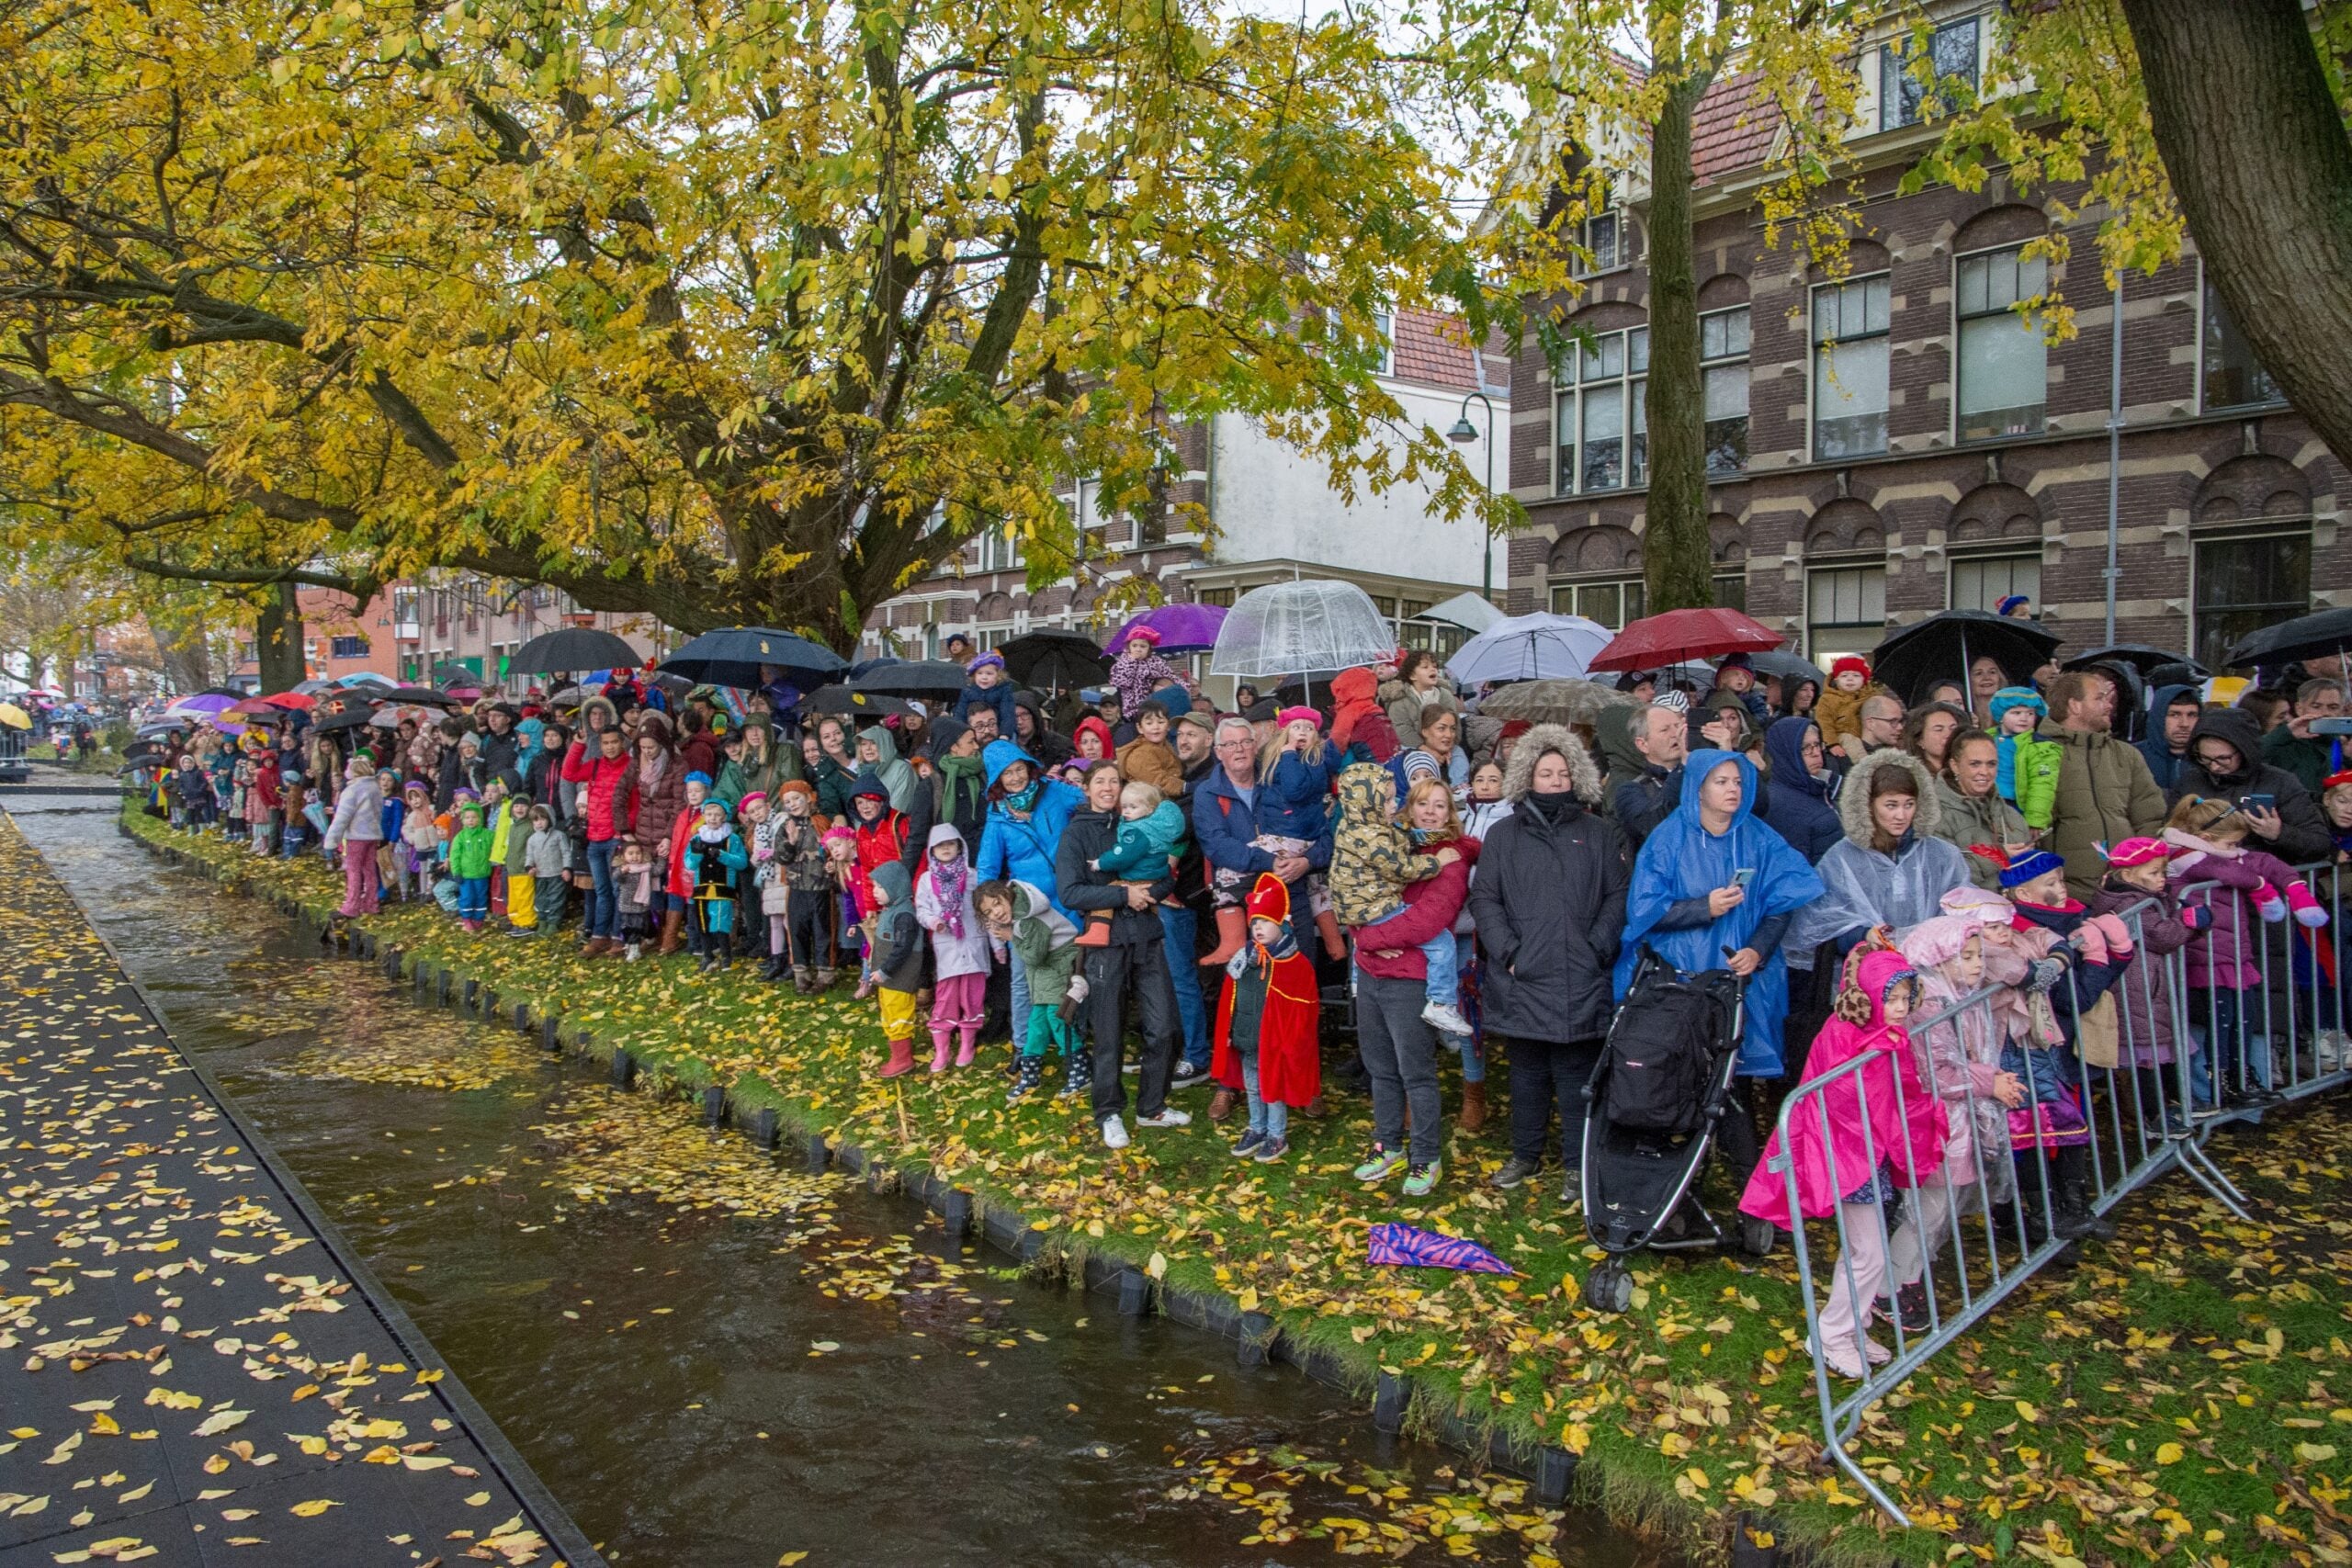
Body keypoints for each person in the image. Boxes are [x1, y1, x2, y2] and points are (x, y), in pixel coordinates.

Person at [1615, 750, 1826, 1189]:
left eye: (1738, 781)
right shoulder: (1668, 839)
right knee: (1681, 1080)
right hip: (1683, 983)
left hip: (1742, 982)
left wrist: (1758, 950)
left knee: (1736, 1086)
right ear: (1697, 788)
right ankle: (1676, 1188)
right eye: (1721, 781)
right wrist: (1701, 908)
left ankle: (1753, 1194)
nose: (1733, 789)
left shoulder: (1760, 838)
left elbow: (1782, 901)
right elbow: (1643, 913)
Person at [1739, 947, 1946, 1378]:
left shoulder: (1884, 1036)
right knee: (1868, 1251)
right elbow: (1842, 1094)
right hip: (1846, 1153)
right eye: (1892, 999)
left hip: (1866, 1153)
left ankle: (1853, 1325)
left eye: (1908, 999)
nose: (1901, 1008)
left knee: (1862, 1249)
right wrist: (1879, 1048)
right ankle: (1831, 1335)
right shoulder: (1846, 1033)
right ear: (1869, 996)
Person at [1466, 726, 1632, 1195]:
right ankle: (1526, 1155)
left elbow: (1618, 894)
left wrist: (1598, 946)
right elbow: (1485, 898)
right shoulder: (1503, 834)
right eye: (1546, 773)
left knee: (1577, 1077)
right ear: (1528, 777)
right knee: (1527, 1076)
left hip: (1581, 974)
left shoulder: (1598, 833)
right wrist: (1509, 953)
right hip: (1522, 976)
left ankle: (1576, 1166)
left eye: (1562, 773)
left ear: (1576, 776)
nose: (1556, 781)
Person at [1057, 763, 1190, 1146]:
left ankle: (1152, 1107)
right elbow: (1070, 893)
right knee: (1109, 1030)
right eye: (1101, 781)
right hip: (1105, 941)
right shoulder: (1076, 834)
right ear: (1086, 788)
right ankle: (1109, 1112)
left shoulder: (1139, 820)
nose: (1109, 788)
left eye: (1114, 781)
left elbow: (1166, 876)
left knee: (1164, 1024)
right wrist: (1122, 895)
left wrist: (1151, 893)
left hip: (1147, 934)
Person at [2165, 795, 2325, 1108]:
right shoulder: (2184, 857)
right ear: (2207, 838)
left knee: (2245, 1020)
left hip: (2235, 954)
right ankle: (2221, 1081)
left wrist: (2293, 887)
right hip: (2207, 957)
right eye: (2232, 844)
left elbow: (2260, 861)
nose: (2237, 850)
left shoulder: (2219, 853)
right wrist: (2262, 887)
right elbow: (2232, 873)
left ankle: (2244, 1076)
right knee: (2220, 1024)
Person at [1786, 751, 1974, 962]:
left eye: (1909, 804)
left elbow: (1964, 908)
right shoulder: (1842, 858)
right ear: (1868, 805)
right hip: (1868, 975)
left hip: (1935, 970)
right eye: (1891, 805)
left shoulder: (1941, 855)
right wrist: (1863, 935)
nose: (1901, 816)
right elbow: (1819, 924)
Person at [1329, 761, 1467, 1034]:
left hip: (1406, 978)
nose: (1429, 812)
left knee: (1409, 1065)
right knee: (1442, 944)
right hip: (1373, 926)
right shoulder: (1376, 836)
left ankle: (1362, 980)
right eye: (1389, 800)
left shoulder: (1358, 825)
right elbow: (1401, 867)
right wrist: (1435, 862)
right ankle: (1442, 1004)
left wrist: (1368, 939)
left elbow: (1428, 918)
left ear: (1450, 813)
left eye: (1439, 806)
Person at [2089, 837, 2211, 1134]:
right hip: (2136, 991)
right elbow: (2162, 936)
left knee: (2158, 1056)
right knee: (2144, 1058)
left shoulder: (2146, 899)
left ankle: (2167, 1109)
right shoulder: (2129, 903)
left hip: (2150, 989)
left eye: (2162, 872)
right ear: (2129, 875)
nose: (2161, 879)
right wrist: (2191, 922)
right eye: (2154, 873)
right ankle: (2153, 1117)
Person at [1194, 716, 1335, 967]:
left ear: (1255, 746)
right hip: (1244, 902)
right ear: (1218, 752)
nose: (1239, 749)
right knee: (1255, 985)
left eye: (1245, 742)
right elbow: (1216, 845)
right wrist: (1270, 861)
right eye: (1230, 744)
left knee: (1300, 974)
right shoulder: (1207, 793)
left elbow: (1321, 832)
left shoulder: (1279, 775)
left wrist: (1307, 861)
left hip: (1292, 894)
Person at [1213, 873, 1322, 1165]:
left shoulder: (1294, 965)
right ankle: (1256, 1128)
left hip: (1274, 1043)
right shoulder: (1244, 960)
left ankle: (1276, 1135)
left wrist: (1288, 1038)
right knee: (1252, 1085)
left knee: (1273, 1087)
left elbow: (1302, 1009)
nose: (1259, 929)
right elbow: (1233, 999)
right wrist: (1230, 1030)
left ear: (1283, 924)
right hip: (1248, 1038)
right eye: (1254, 923)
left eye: (1265, 922)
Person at [2035, 670, 2170, 899]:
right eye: (2099, 698)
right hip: (2069, 894)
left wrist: (2136, 868)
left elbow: (2150, 817)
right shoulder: (2039, 755)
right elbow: (2035, 826)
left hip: (2127, 891)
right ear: (2074, 706)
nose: (2109, 705)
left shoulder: (2127, 754)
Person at [2167, 706, 2333, 864]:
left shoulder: (2280, 782)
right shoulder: (2190, 781)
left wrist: (2279, 833)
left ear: (2244, 751)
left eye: (2223, 758)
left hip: (2265, 879)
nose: (2214, 766)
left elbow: (2319, 843)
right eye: (2205, 758)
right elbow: (2168, 829)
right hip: (2202, 877)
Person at [979, 879, 1089, 1102]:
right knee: (1037, 1022)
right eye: (988, 911)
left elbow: (1033, 956)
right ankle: (1030, 1073)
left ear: (1007, 895)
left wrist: (1011, 937)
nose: (996, 913)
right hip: (1046, 972)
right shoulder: (1020, 917)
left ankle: (1080, 1070)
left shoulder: (1030, 918)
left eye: (997, 903)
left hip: (1061, 968)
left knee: (1058, 1017)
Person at [912, 825, 989, 1070]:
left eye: (951, 844)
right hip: (947, 947)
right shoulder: (927, 879)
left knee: (973, 997)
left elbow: (986, 912)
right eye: (940, 845)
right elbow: (922, 909)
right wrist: (934, 922)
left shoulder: (973, 876)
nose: (946, 848)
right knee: (946, 998)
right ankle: (942, 1050)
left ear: (960, 847)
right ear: (932, 850)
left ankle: (967, 1044)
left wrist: (997, 944)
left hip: (974, 945)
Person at [1076, 780, 1187, 945]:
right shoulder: (1154, 827)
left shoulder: (1138, 832)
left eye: (1133, 807)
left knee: (1108, 893)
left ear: (1149, 809)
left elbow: (1123, 856)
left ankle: (1099, 930)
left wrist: (1101, 863)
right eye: (1124, 807)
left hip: (1138, 877)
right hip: (1154, 876)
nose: (1127, 812)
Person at [1934, 729, 2032, 891]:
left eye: (1991, 764)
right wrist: (1999, 856)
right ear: (1955, 766)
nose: (1985, 772)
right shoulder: (1936, 815)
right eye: (1975, 764)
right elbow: (1948, 875)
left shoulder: (2012, 816)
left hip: (2018, 910)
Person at [867, 862, 925, 1077]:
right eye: (874, 886)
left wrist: (885, 971)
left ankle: (903, 1059)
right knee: (889, 1013)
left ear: (895, 887)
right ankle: (897, 1055)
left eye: (880, 887)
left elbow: (902, 949)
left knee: (898, 1015)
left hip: (899, 978)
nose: (875, 891)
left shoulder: (904, 916)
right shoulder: (891, 911)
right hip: (888, 979)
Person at [1758, 716, 1841, 863]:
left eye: (1817, 745)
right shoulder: (1779, 803)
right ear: (1787, 753)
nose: (1816, 753)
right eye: (1806, 748)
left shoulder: (1828, 785)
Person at [681, 795, 749, 972]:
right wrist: (696, 854)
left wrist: (722, 855)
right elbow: (689, 864)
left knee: (721, 922)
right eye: (709, 814)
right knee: (702, 923)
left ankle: (726, 956)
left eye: (717, 814)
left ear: (724, 817)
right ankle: (708, 956)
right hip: (701, 889)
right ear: (703, 815)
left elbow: (741, 862)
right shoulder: (697, 839)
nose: (712, 818)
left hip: (722, 888)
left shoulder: (731, 838)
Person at [1609, 702, 1687, 849]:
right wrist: (1683, 767)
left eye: (1678, 726)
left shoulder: (1701, 776)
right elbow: (1654, 827)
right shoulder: (1629, 790)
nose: (1675, 734)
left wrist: (1725, 748)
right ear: (1642, 744)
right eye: (1664, 730)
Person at [2260, 677, 2349, 796]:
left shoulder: (2340, 742)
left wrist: (2348, 758)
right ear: (2299, 709)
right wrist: (2287, 733)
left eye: (2333, 707)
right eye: (2316, 706)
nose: (2324, 713)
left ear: (2343, 711)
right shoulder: (2281, 739)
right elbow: (2252, 756)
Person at [322, 753, 388, 917]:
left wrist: (331, 840)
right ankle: (371, 904)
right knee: (370, 870)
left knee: (353, 870)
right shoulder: (375, 789)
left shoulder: (352, 791)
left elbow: (342, 818)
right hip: (372, 835)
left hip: (356, 836)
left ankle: (351, 906)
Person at [1990, 687, 2052, 813]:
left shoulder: (2039, 746)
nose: (2024, 718)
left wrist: (2036, 819)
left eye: (2030, 713)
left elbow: (2042, 785)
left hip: (2019, 806)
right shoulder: (1986, 739)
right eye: (2016, 713)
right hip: (1987, 801)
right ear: (2001, 716)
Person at [1814, 656, 1884, 761]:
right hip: (1841, 735)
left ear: (1864, 680)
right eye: (1844, 675)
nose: (1850, 679)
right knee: (1849, 740)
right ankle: (1865, 765)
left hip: (1866, 736)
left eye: (1856, 675)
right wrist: (1832, 743)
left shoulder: (1870, 697)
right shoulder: (1828, 699)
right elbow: (1824, 722)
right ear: (1837, 680)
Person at [1114, 699, 1185, 797]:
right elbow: (1158, 782)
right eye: (1149, 723)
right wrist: (1185, 787)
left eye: (1160, 722)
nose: (1155, 727)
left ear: (1168, 726)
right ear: (1140, 728)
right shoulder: (1139, 755)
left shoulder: (1166, 745)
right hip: (1147, 804)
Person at [1329, 666, 1401, 762]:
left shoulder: (1350, 709)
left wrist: (1329, 758)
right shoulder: (1373, 707)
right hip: (1389, 749)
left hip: (1369, 751)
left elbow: (1339, 737)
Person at [1108, 627, 1177, 719]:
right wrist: (1131, 662)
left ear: (1149, 648)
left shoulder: (1157, 662)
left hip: (1155, 708)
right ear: (1129, 647)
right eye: (1134, 646)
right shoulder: (1122, 663)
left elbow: (1172, 678)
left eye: (1143, 646)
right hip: (1132, 711)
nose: (1138, 649)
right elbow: (1120, 682)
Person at [447, 795, 494, 931]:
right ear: (463, 819)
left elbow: (496, 846)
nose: (471, 820)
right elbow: (454, 855)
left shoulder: (487, 834)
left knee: (481, 897)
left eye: (474, 817)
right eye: (467, 818)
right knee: (467, 897)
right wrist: (456, 872)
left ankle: (478, 918)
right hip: (466, 874)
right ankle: (467, 918)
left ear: (479, 818)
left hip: (482, 873)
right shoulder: (461, 837)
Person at [525, 803, 570, 936]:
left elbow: (566, 852)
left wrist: (567, 868)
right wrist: (529, 867)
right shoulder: (532, 839)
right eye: (536, 820)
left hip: (556, 873)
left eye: (543, 819)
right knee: (541, 898)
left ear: (550, 819)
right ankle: (542, 921)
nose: (539, 823)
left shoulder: (558, 835)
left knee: (556, 898)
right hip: (540, 874)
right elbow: (529, 855)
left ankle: (553, 922)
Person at [954, 651, 1021, 738]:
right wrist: (960, 732)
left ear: (998, 676)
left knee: (1010, 742)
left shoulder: (1003, 691)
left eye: (989, 674)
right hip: (975, 731)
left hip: (998, 730)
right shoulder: (968, 692)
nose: (984, 677)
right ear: (974, 676)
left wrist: (1005, 734)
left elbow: (1008, 714)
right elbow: (960, 714)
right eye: (980, 673)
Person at [613, 840, 657, 959]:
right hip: (626, 905)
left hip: (642, 905)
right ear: (623, 856)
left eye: (638, 853)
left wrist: (662, 858)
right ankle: (633, 948)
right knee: (629, 926)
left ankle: (649, 937)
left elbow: (658, 871)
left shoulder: (647, 868)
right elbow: (616, 877)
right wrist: (622, 872)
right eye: (630, 854)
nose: (634, 856)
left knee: (644, 925)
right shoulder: (623, 869)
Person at [1900, 701, 1968, 777]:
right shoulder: (1910, 775)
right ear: (1919, 740)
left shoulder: (1969, 770)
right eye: (1939, 730)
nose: (1948, 735)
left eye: (1953, 728)